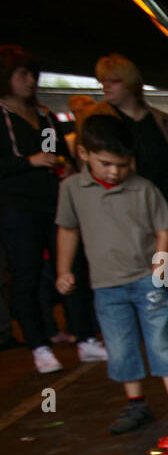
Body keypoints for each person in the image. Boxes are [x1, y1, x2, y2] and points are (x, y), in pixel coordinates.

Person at [54, 115, 168, 434]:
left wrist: (161, 261)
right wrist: (63, 269)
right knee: (120, 345)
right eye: (107, 163)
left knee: (161, 340)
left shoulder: (143, 188)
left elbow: (164, 229)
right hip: (105, 285)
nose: (115, 171)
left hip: (146, 279)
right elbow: (67, 230)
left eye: (123, 165)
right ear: (84, 154)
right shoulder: (72, 188)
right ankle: (136, 404)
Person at [0, 45, 103, 372]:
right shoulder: (2, 116)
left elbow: (58, 152)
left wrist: (66, 166)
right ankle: (39, 346)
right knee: (27, 275)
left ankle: (85, 338)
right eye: (22, 74)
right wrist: (28, 162)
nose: (30, 80)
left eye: (33, 74)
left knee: (71, 268)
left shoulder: (45, 115)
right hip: (18, 208)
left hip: (55, 204)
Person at [95, 53, 168, 217]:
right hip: (132, 213)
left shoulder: (164, 122)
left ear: (130, 83)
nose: (106, 86)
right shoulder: (100, 122)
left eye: (114, 81)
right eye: (103, 81)